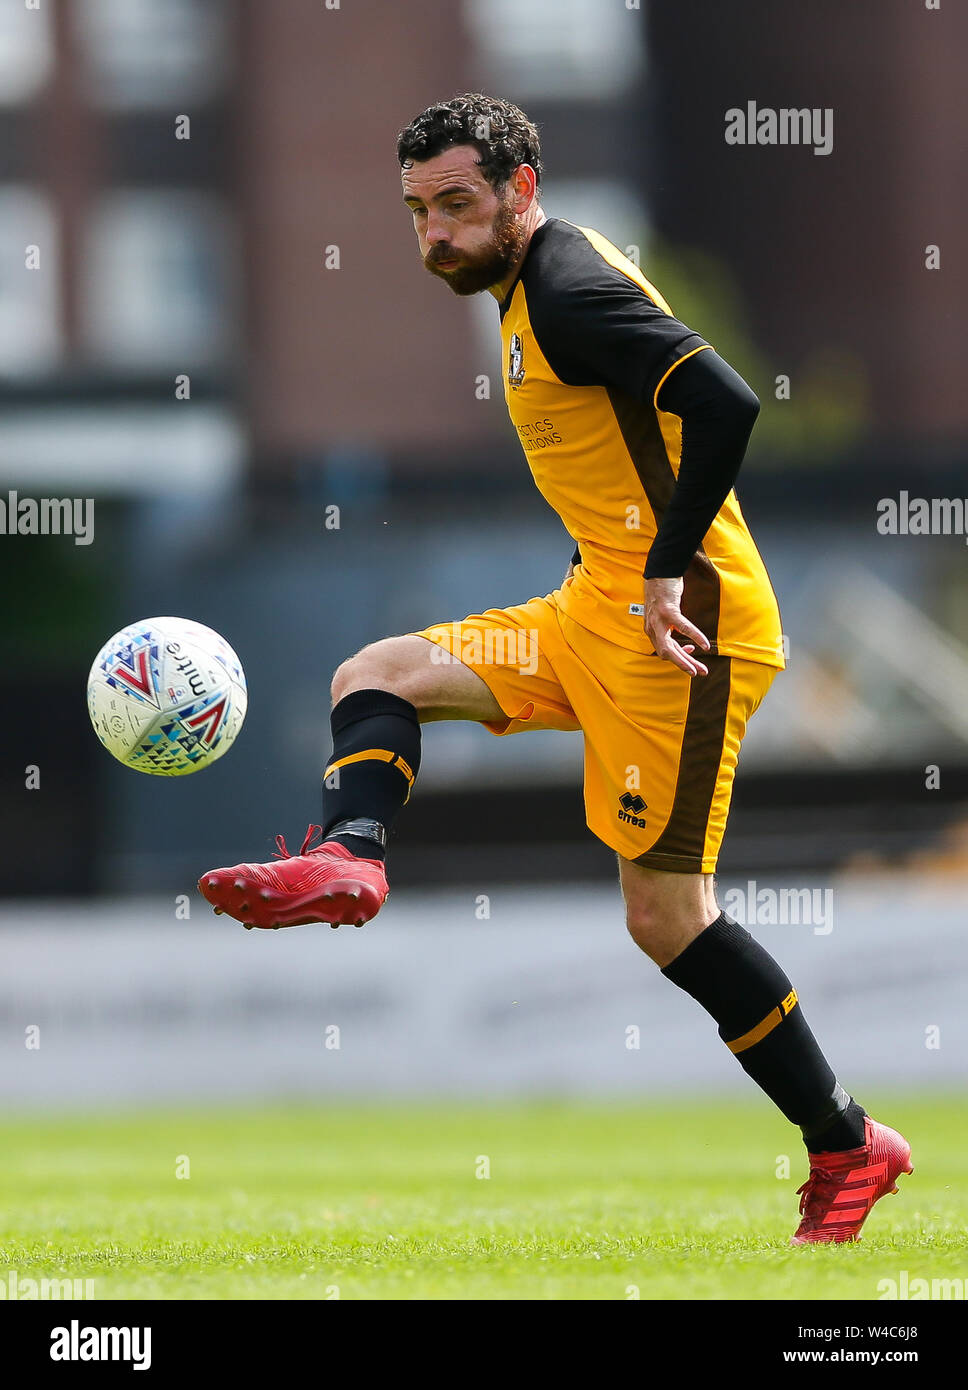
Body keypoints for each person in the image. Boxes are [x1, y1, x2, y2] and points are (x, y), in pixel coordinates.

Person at [199, 94, 912, 1244]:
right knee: (376, 672)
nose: (433, 234)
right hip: (591, 608)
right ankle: (353, 856)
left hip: (682, 635)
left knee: (664, 916)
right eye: (417, 211)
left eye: (457, 206)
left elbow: (728, 401)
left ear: (520, 192)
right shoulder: (525, 287)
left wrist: (667, 570)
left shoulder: (570, 291)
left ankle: (846, 1140)